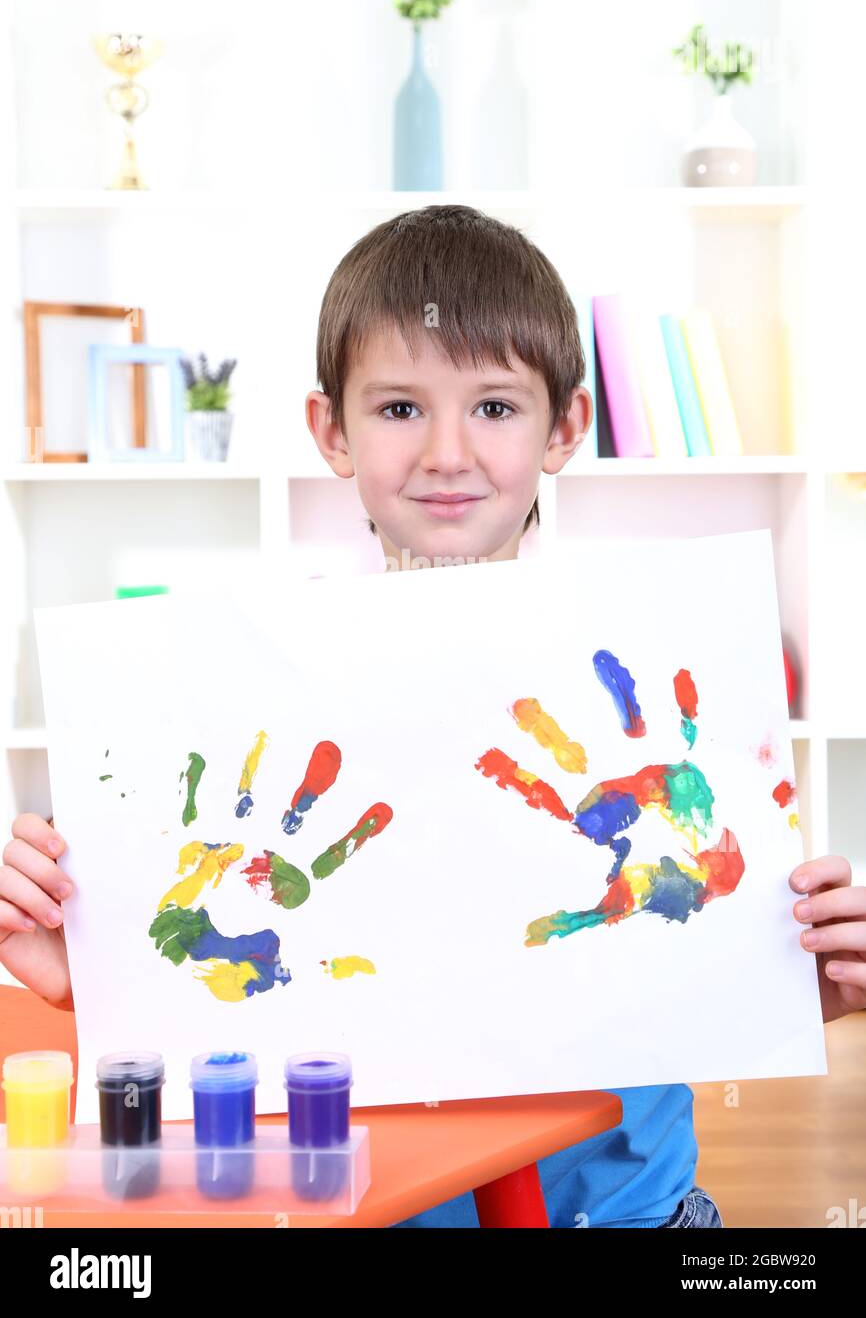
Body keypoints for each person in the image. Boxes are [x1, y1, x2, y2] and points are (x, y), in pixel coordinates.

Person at [3, 205, 864, 1228]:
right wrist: (95, 972)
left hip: (632, 1213)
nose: (447, 452)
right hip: (373, 1209)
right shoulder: (254, 708)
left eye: (495, 407)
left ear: (566, 427)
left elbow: (703, 964)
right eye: (400, 408)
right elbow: (224, 999)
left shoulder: (660, 675)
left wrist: (784, 979)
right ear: (330, 430)